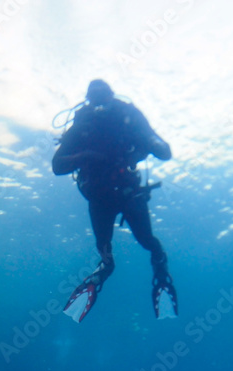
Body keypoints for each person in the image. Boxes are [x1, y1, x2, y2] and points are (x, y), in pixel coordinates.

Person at [52, 79, 178, 322]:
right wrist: (86, 155)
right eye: (95, 100)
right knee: (109, 246)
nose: (100, 105)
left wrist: (148, 143)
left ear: (112, 96)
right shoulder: (82, 123)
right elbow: (57, 166)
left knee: (147, 241)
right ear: (89, 101)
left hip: (127, 192)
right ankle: (107, 269)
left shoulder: (127, 115)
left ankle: (158, 273)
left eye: (104, 99)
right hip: (101, 196)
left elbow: (165, 151)